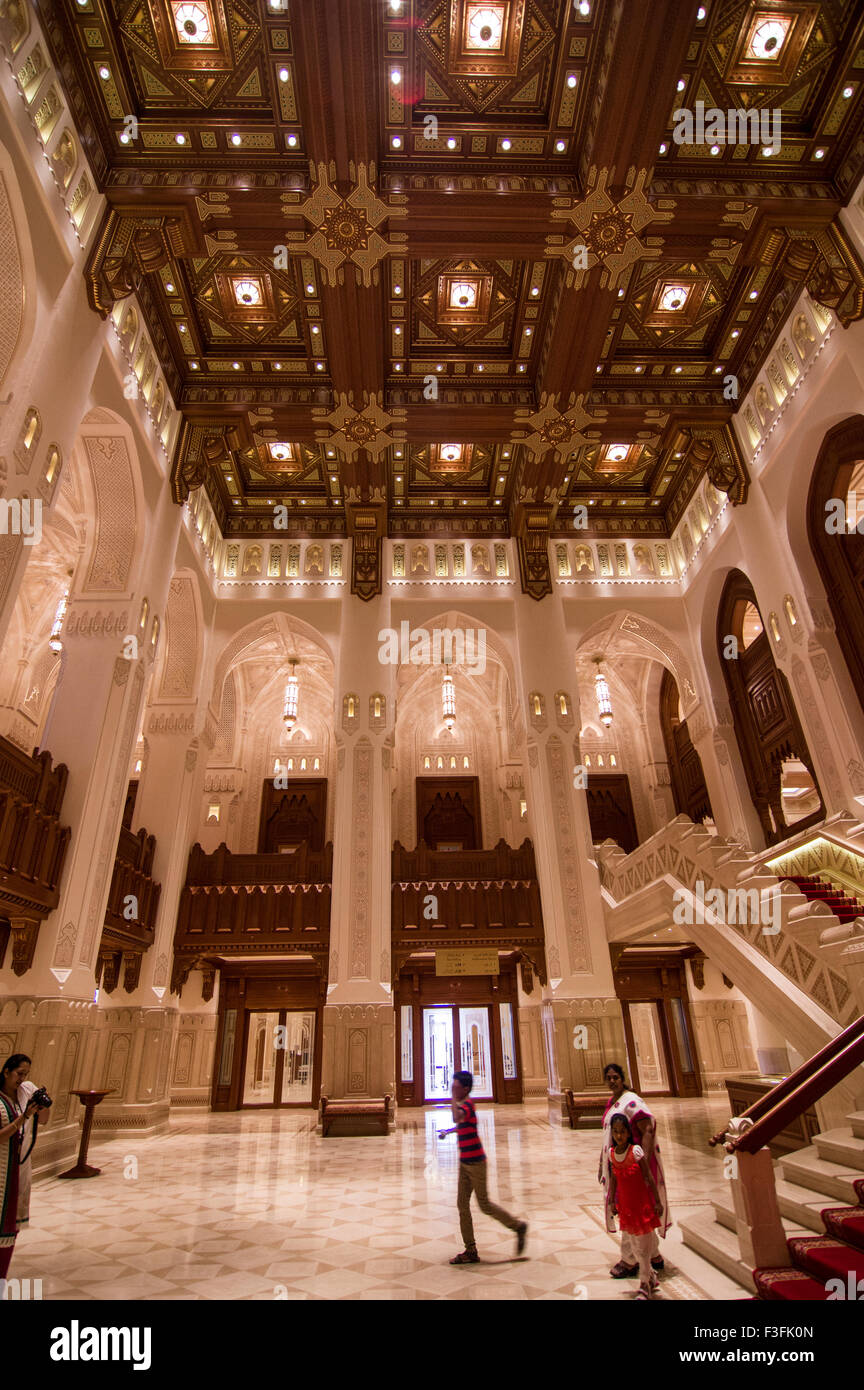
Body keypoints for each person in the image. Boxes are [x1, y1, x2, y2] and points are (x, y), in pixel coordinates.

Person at [438, 1069, 527, 1264]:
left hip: (476, 1163)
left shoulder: (468, 1105)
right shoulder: (465, 1106)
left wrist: (452, 1099)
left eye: (456, 1087)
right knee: (462, 1205)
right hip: (465, 1162)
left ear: (466, 1089)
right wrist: (449, 1131)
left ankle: (517, 1226)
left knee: (484, 1205)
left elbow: (457, 1117)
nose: (453, 1089)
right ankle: (470, 1250)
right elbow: (460, 1124)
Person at [598, 1061, 670, 1279]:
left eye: (615, 1077)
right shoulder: (614, 1101)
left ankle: (629, 1260)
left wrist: (643, 1163)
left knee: (629, 1211)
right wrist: (602, 1162)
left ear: (622, 1078)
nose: (612, 1081)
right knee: (638, 1209)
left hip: (632, 1165)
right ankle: (654, 1255)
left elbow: (647, 1128)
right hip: (619, 1162)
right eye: (608, 1078)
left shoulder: (631, 1101)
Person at [606, 1113, 664, 1300]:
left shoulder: (635, 1152)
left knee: (643, 1247)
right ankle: (651, 1276)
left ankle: (644, 1283)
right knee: (633, 1244)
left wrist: (657, 1201)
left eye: (622, 1131)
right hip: (627, 1207)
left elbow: (648, 1177)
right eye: (615, 1132)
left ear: (628, 1132)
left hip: (642, 1205)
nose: (619, 1136)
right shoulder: (613, 1154)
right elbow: (614, 1179)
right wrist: (612, 1201)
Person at [0, 1054, 43, 1281]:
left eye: (25, 1075)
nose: (22, 1079)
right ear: (6, 1071)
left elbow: (43, 1119)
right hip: (2, 1170)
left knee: (9, 1225)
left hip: (15, 1169)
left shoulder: (23, 1094)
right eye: (19, 1074)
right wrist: (23, 1117)